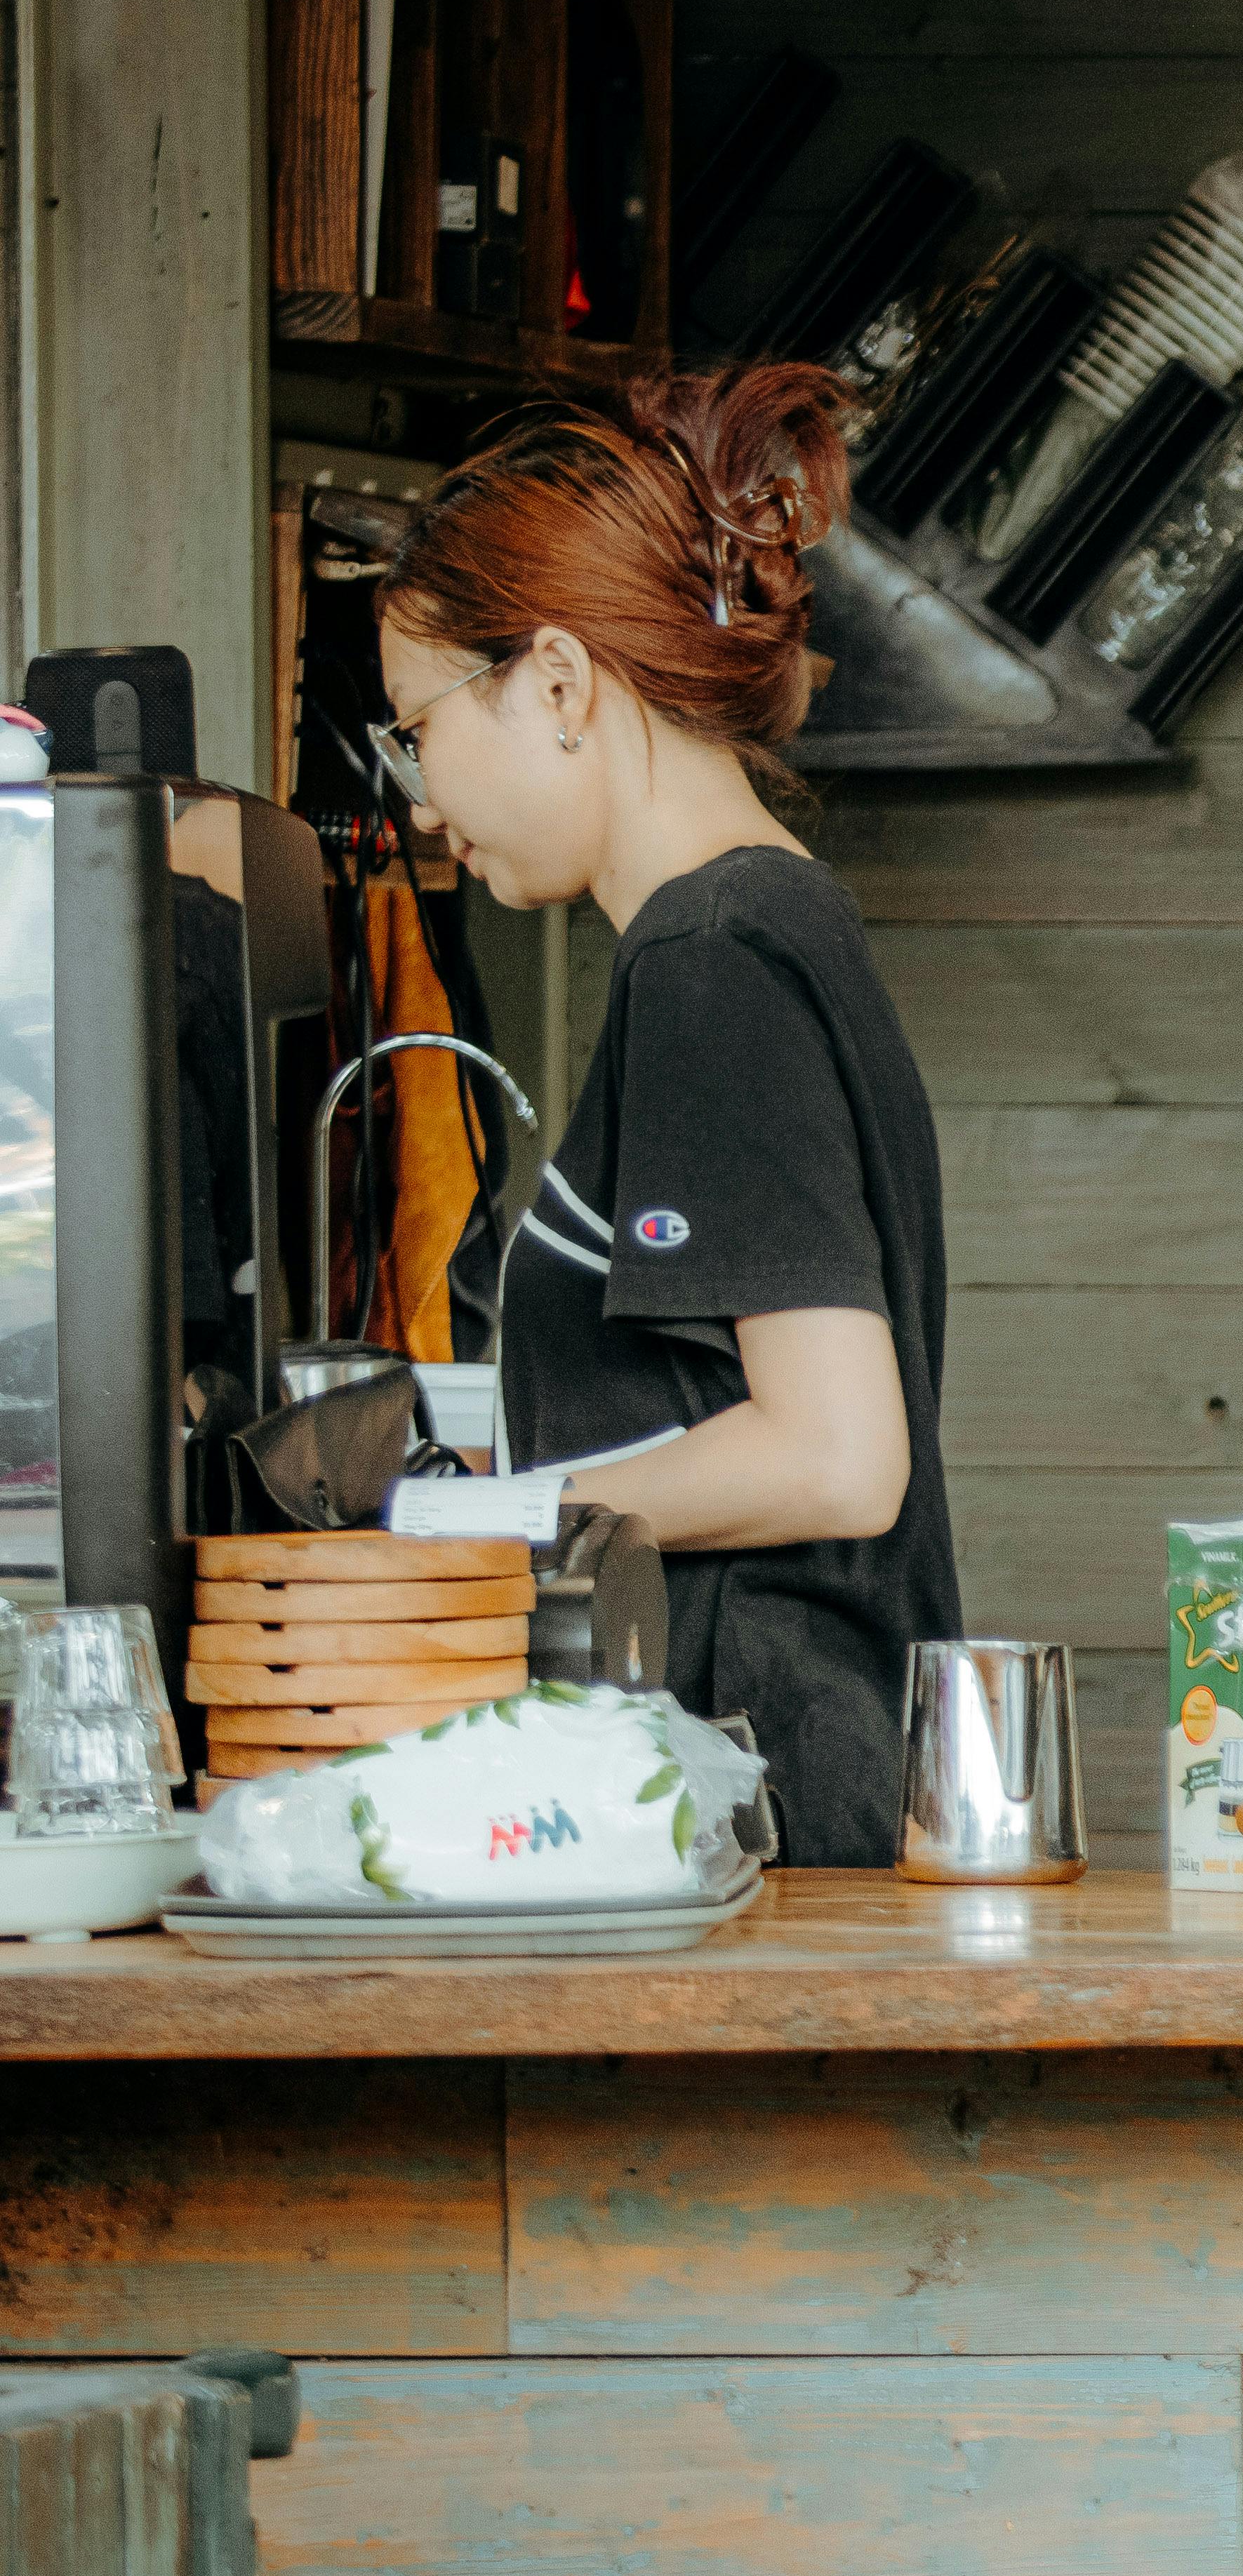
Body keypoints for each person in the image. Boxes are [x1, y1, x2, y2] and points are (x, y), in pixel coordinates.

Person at [370, 363, 957, 1867]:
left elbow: (837, 1455)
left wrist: (487, 1515)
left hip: (759, 1808)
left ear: (557, 682)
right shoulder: (770, 927)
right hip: (771, 1792)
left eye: (419, 730)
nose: (423, 802)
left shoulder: (712, 960)